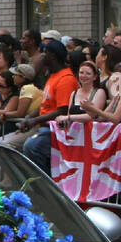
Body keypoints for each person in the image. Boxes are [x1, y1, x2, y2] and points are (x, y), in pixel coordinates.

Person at [20, 39, 78, 173]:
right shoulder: (53, 76)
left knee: (32, 146)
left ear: (52, 56)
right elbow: (44, 105)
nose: (41, 56)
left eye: (44, 53)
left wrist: (34, 121)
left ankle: (44, 184)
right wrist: (29, 117)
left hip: (55, 131)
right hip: (43, 127)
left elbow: (62, 110)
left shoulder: (66, 79)